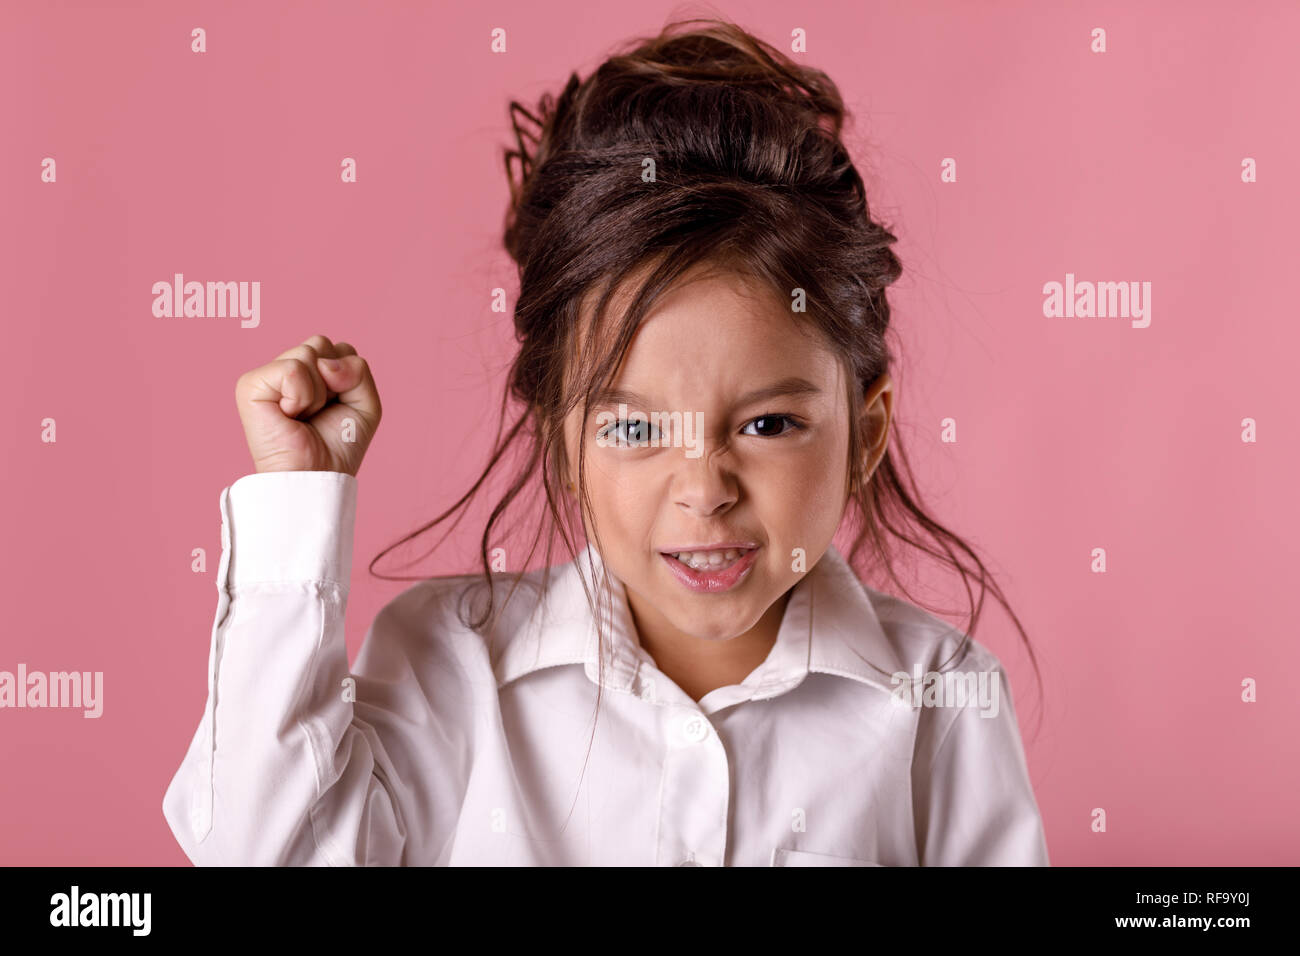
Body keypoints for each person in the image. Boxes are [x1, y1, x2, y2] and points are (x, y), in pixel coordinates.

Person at [162, 16, 1050, 866]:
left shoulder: (944, 699)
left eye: (768, 424)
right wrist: (296, 505)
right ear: (563, 446)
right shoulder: (453, 663)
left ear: (865, 435)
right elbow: (262, 851)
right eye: (633, 427)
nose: (704, 489)